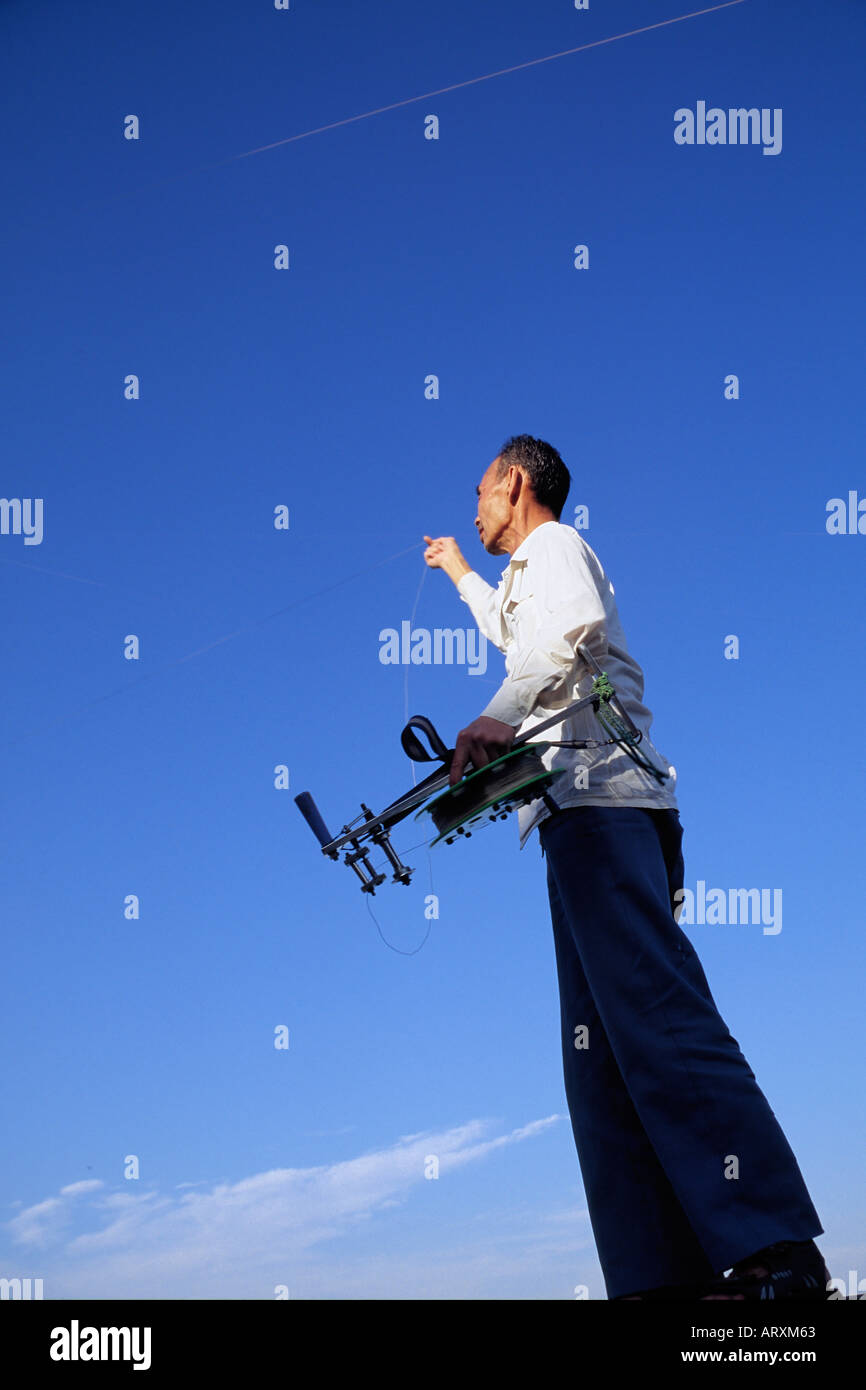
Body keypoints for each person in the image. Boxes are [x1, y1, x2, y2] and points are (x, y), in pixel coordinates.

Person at [422, 434, 830, 1301]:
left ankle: (776, 1255)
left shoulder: (557, 547)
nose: (475, 509)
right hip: (567, 817)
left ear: (516, 484)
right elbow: (514, 629)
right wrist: (461, 572)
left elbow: (570, 635)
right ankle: (658, 1281)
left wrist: (494, 715)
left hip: (606, 803)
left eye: (481, 495)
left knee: (657, 1019)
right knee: (598, 1062)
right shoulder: (522, 575)